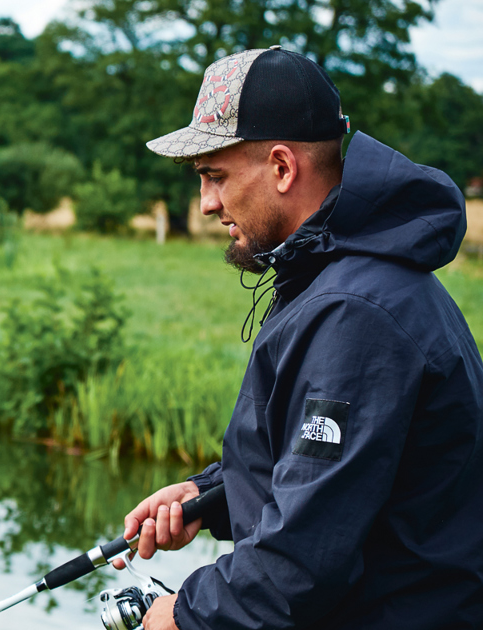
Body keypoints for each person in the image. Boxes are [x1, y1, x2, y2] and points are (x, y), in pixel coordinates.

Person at [124, 46, 483, 630]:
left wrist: (182, 615)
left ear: (283, 167)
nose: (208, 203)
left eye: (215, 176)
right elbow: (334, 470)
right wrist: (207, 495)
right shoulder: (336, 275)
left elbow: (303, 562)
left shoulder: (356, 311)